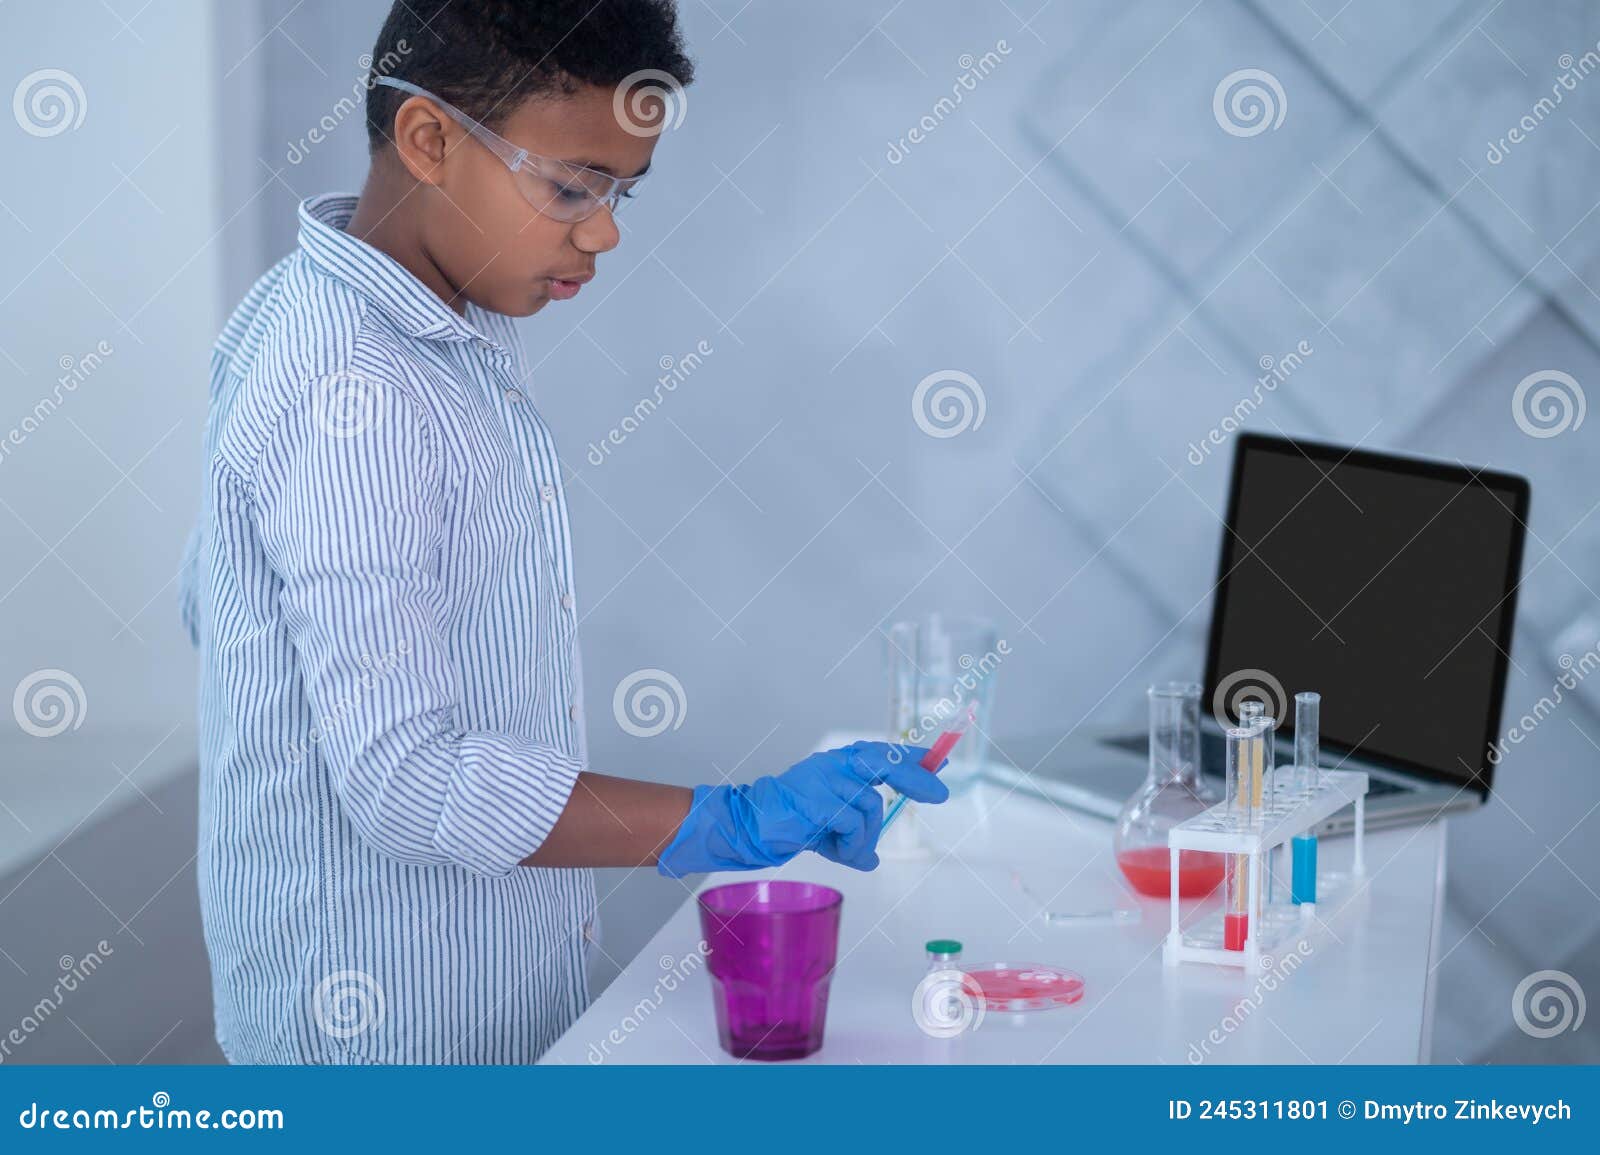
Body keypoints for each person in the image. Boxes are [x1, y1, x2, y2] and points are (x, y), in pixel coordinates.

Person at [177, 0, 947, 1065]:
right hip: (384, 1043)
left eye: (620, 190)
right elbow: (402, 778)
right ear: (429, 139)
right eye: (572, 187)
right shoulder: (353, 382)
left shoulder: (380, 322)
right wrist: (716, 821)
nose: (605, 229)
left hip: (486, 1007)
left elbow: (212, 608)